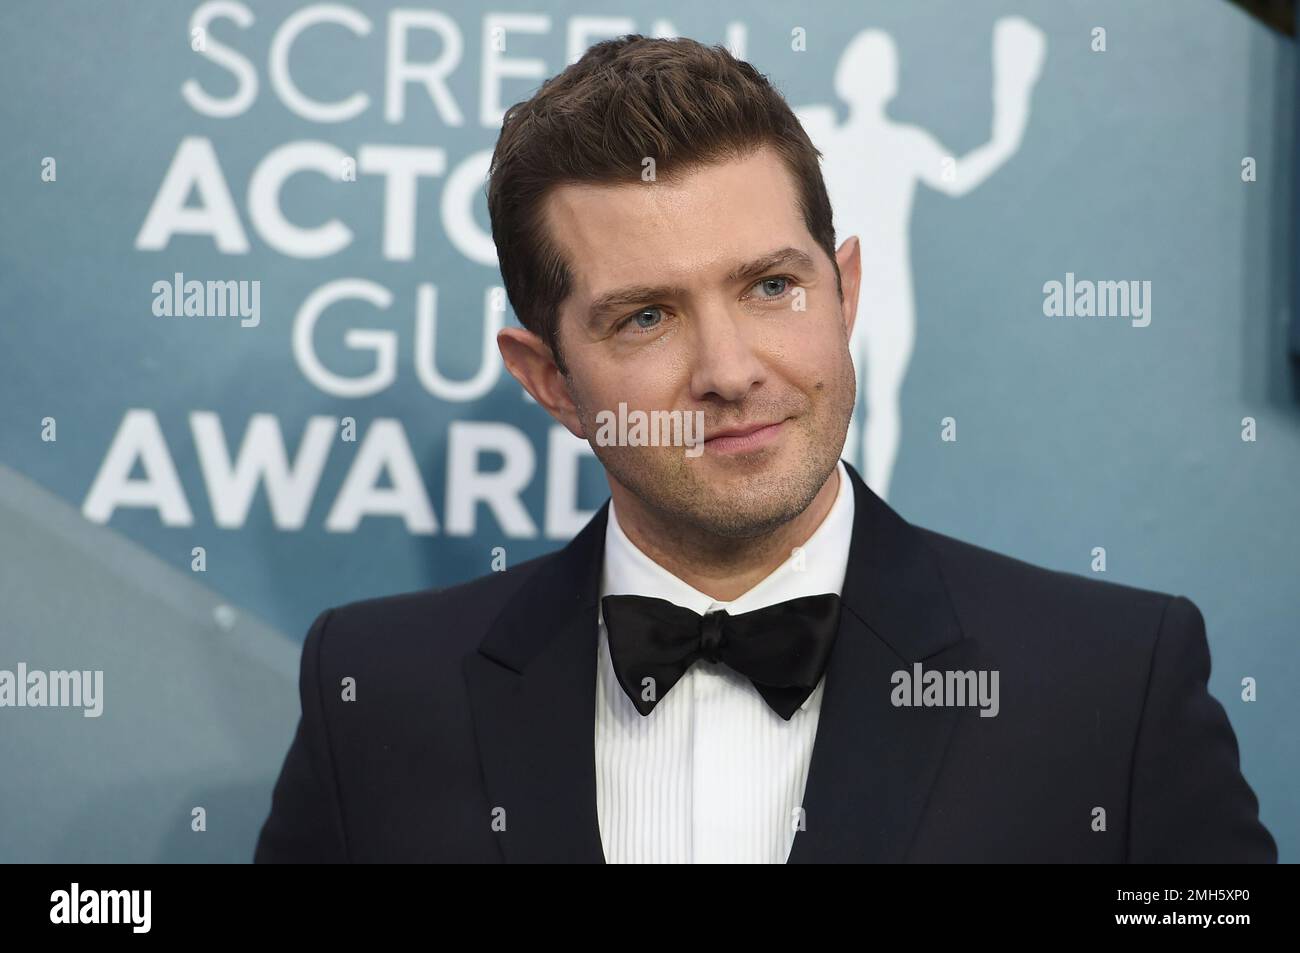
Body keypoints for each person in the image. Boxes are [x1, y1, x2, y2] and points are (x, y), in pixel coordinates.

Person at [254, 35, 1276, 864]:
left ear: (847, 293)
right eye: (646, 316)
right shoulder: (376, 690)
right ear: (550, 378)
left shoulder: (1107, 683)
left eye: (770, 287)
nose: (731, 369)